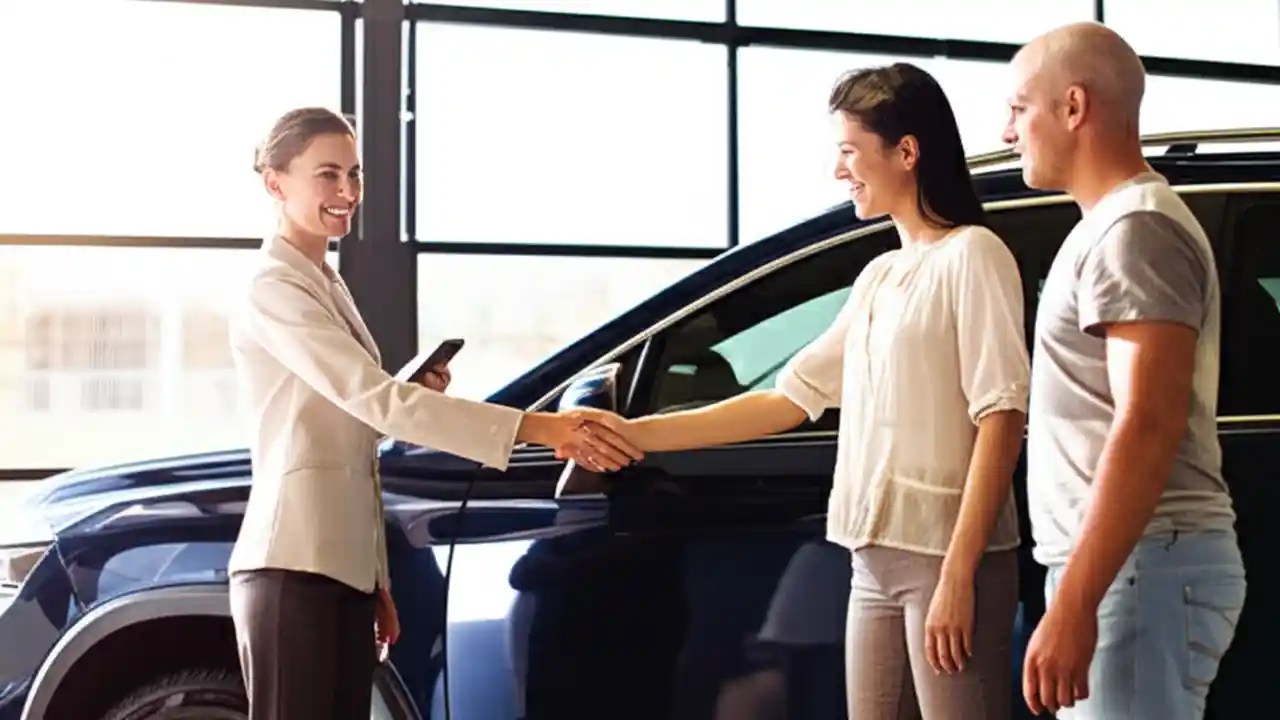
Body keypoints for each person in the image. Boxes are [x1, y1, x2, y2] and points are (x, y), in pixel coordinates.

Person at [615, 64, 1030, 719]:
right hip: (873, 562)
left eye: (848, 151)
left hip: (947, 560)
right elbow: (786, 399)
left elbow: (1002, 415)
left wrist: (958, 574)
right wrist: (637, 434)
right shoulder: (881, 276)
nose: (840, 171)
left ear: (907, 152)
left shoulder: (973, 256)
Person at [226, 106, 641, 720]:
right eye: (328, 175)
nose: (347, 193)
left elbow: (353, 431)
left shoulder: (325, 281)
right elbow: (376, 402)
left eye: (355, 175)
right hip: (292, 568)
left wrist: (375, 584)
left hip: (336, 571)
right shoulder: (272, 285)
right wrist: (539, 425)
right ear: (275, 182)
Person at [1005, 23, 1246, 720]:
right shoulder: (1111, 225)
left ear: (1073, 107)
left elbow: (1148, 421)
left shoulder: (1134, 230)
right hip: (1131, 566)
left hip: (1144, 565)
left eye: (1021, 108)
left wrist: (1076, 602)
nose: (1009, 128)